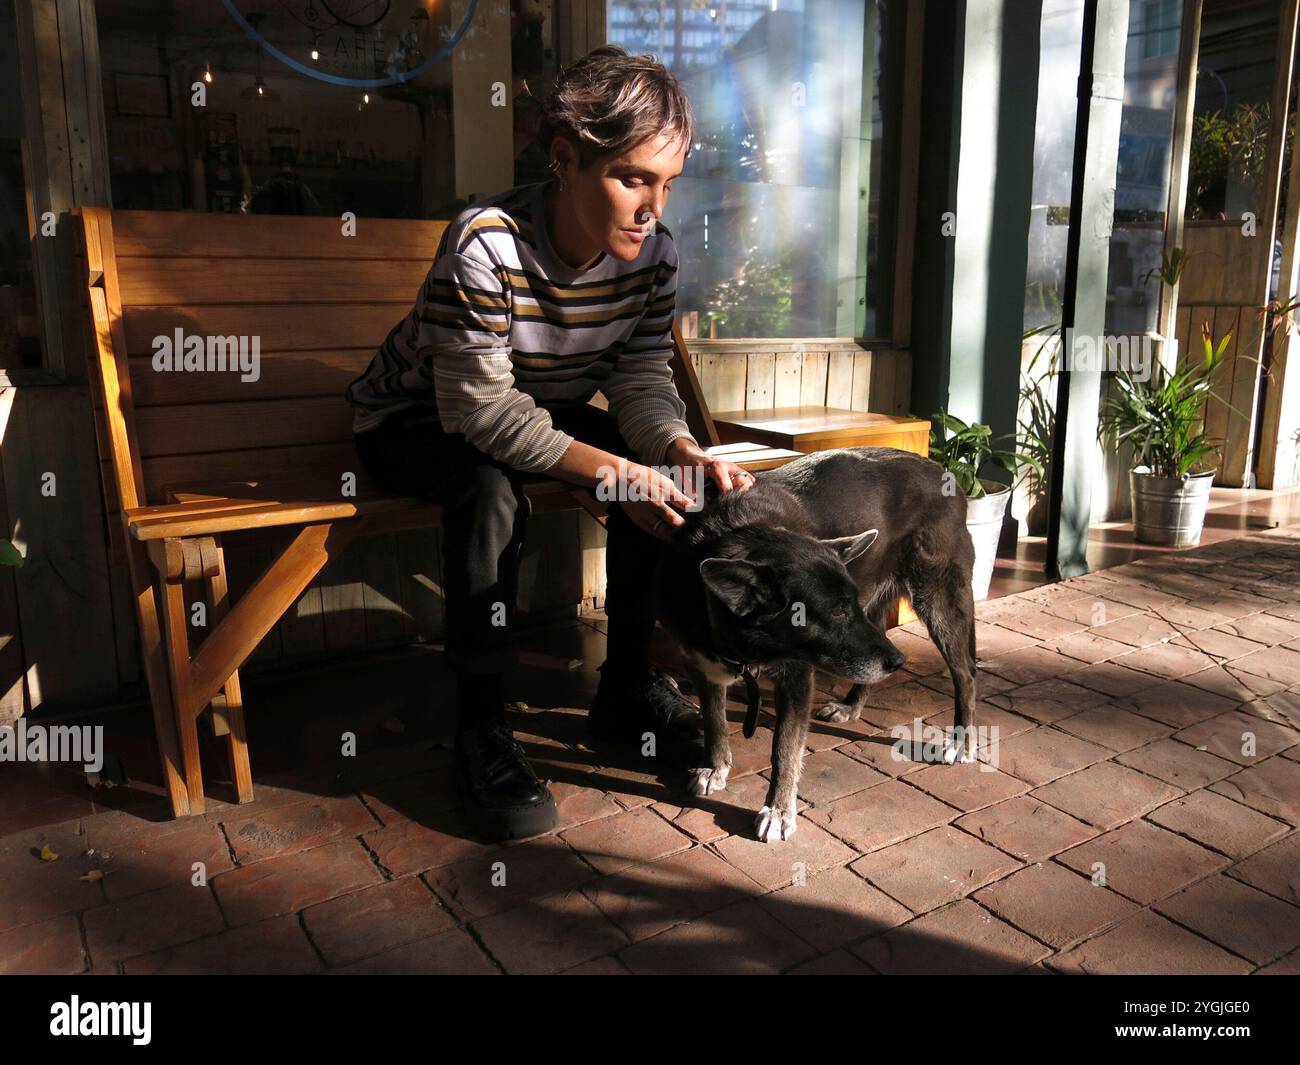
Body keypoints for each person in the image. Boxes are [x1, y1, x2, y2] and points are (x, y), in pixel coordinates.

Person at [345, 45, 756, 842]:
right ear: (564, 159)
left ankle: (625, 693)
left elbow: (638, 380)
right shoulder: (487, 244)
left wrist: (676, 451)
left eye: (666, 185)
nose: (652, 207)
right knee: (490, 486)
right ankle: (482, 728)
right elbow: (480, 414)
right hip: (412, 421)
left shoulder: (654, 259)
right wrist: (619, 471)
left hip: (530, 412)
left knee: (660, 486)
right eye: (633, 178)